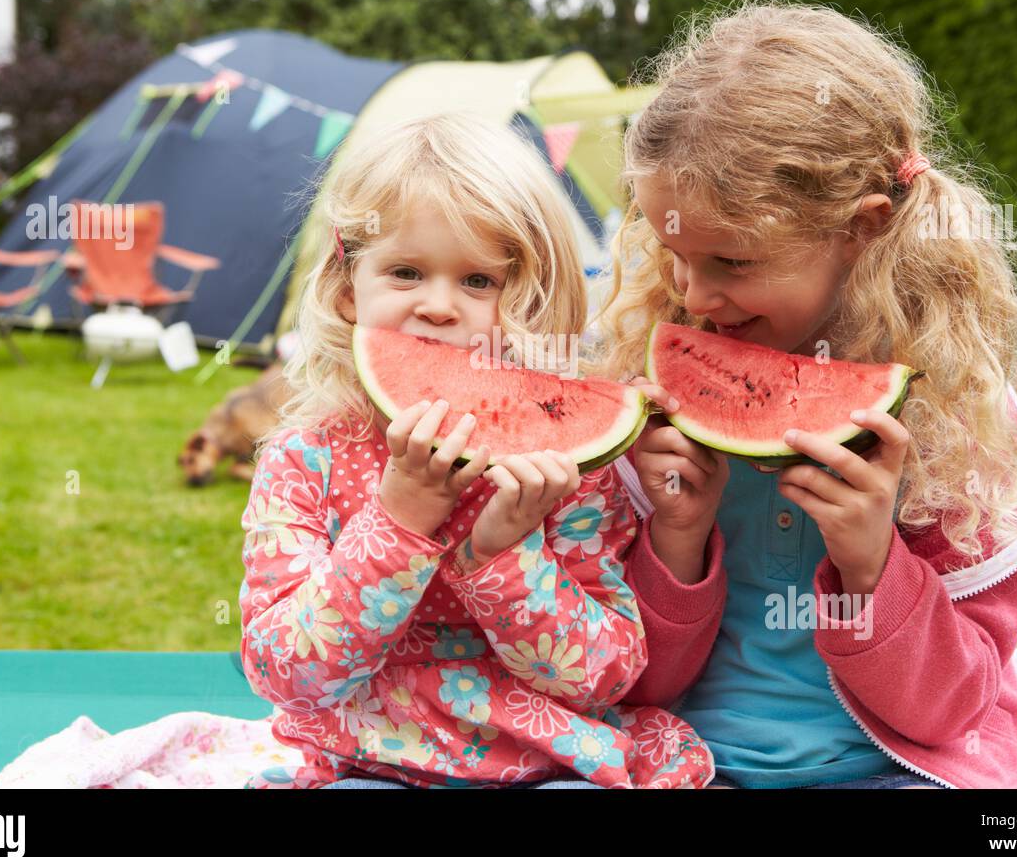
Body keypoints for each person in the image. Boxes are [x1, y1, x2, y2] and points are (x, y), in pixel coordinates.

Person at [594, 0, 1017, 789]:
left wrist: (872, 566)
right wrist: (676, 540)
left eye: (733, 263)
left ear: (863, 226)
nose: (694, 294)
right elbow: (633, 680)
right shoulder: (654, 405)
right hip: (681, 757)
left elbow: (949, 711)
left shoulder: (962, 425)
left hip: (898, 767)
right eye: (672, 251)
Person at [237, 113, 716, 789]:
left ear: (533, 298)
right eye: (406, 272)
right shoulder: (303, 462)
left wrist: (505, 551)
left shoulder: (568, 470)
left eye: (478, 282)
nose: (438, 306)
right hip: (364, 759)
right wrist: (397, 522)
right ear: (348, 292)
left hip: (547, 763)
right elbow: (287, 674)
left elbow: (604, 675)